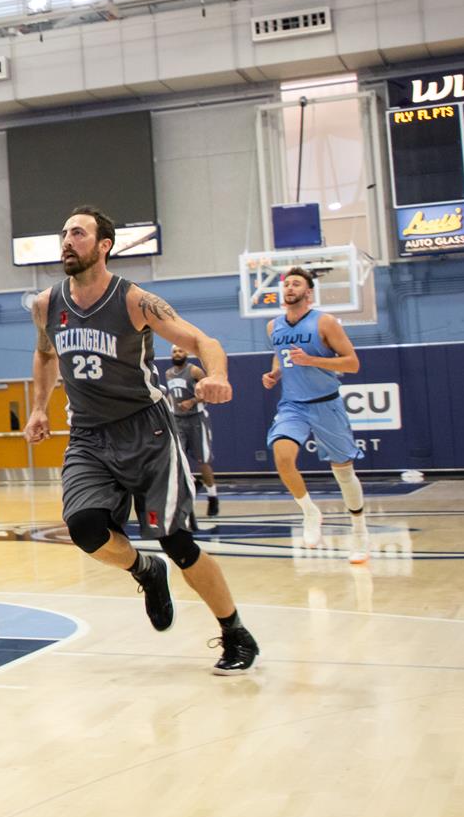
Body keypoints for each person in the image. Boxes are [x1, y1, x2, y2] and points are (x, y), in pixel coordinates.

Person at [24, 206, 260, 675]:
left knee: (177, 541)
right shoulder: (46, 304)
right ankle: (144, 571)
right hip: (89, 435)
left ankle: (235, 632)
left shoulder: (135, 301)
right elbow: (45, 353)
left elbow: (202, 340)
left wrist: (217, 375)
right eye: (64, 233)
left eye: (78, 233)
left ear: (103, 245)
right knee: (85, 530)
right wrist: (37, 407)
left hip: (146, 431)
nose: (67, 241)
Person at [262, 266, 368, 561]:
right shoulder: (274, 327)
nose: (289, 288)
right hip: (293, 404)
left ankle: (359, 530)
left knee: (343, 471)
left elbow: (352, 364)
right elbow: (280, 356)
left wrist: (312, 360)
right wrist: (274, 374)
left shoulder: (325, 322)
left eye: (296, 284)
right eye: (287, 284)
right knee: (282, 457)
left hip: (326, 403)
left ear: (308, 292)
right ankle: (310, 512)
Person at [164, 346, 219, 525]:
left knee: (203, 461)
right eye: (174, 352)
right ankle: (187, 504)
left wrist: (192, 401)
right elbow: (172, 396)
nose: (177, 354)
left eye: (180, 351)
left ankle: (212, 497)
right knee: (179, 462)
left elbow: (208, 392)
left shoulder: (194, 371)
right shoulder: (168, 374)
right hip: (178, 421)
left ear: (186, 354)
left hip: (197, 419)